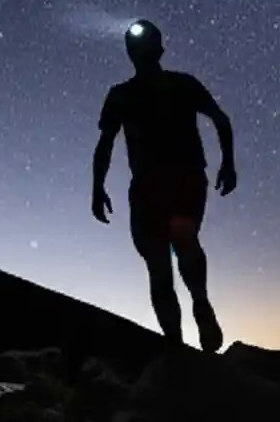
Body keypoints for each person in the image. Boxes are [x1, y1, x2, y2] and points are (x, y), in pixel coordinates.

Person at [91, 19, 237, 352]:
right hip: (166, 181)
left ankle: (187, 323)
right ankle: (188, 323)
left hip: (167, 179)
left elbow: (105, 145)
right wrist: (227, 163)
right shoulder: (150, 90)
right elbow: (221, 119)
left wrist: (97, 187)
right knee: (171, 253)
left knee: (170, 248)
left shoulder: (146, 90)